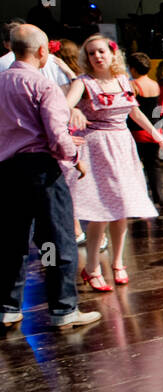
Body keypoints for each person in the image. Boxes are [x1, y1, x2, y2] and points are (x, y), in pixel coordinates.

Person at [0, 24, 101, 330]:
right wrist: (74, 158)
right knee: (57, 240)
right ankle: (64, 309)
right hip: (42, 169)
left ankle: (7, 308)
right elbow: (57, 135)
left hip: (7, 170)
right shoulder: (43, 85)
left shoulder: (0, 81)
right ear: (43, 51)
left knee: (11, 241)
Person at [64, 34, 163, 291]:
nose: (97, 56)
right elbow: (62, 106)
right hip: (96, 147)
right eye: (91, 53)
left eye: (101, 51)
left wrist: (160, 140)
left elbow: (134, 112)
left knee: (121, 208)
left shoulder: (124, 80)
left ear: (112, 53)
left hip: (122, 145)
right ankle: (92, 267)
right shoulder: (83, 83)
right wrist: (74, 110)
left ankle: (117, 262)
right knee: (101, 211)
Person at [126, 53, 163, 207]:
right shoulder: (154, 84)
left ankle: (140, 197)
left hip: (137, 130)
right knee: (153, 164)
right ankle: (159, 196)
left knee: (137, 165)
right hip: (155, 130)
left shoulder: (133, 85)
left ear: (133, 69)